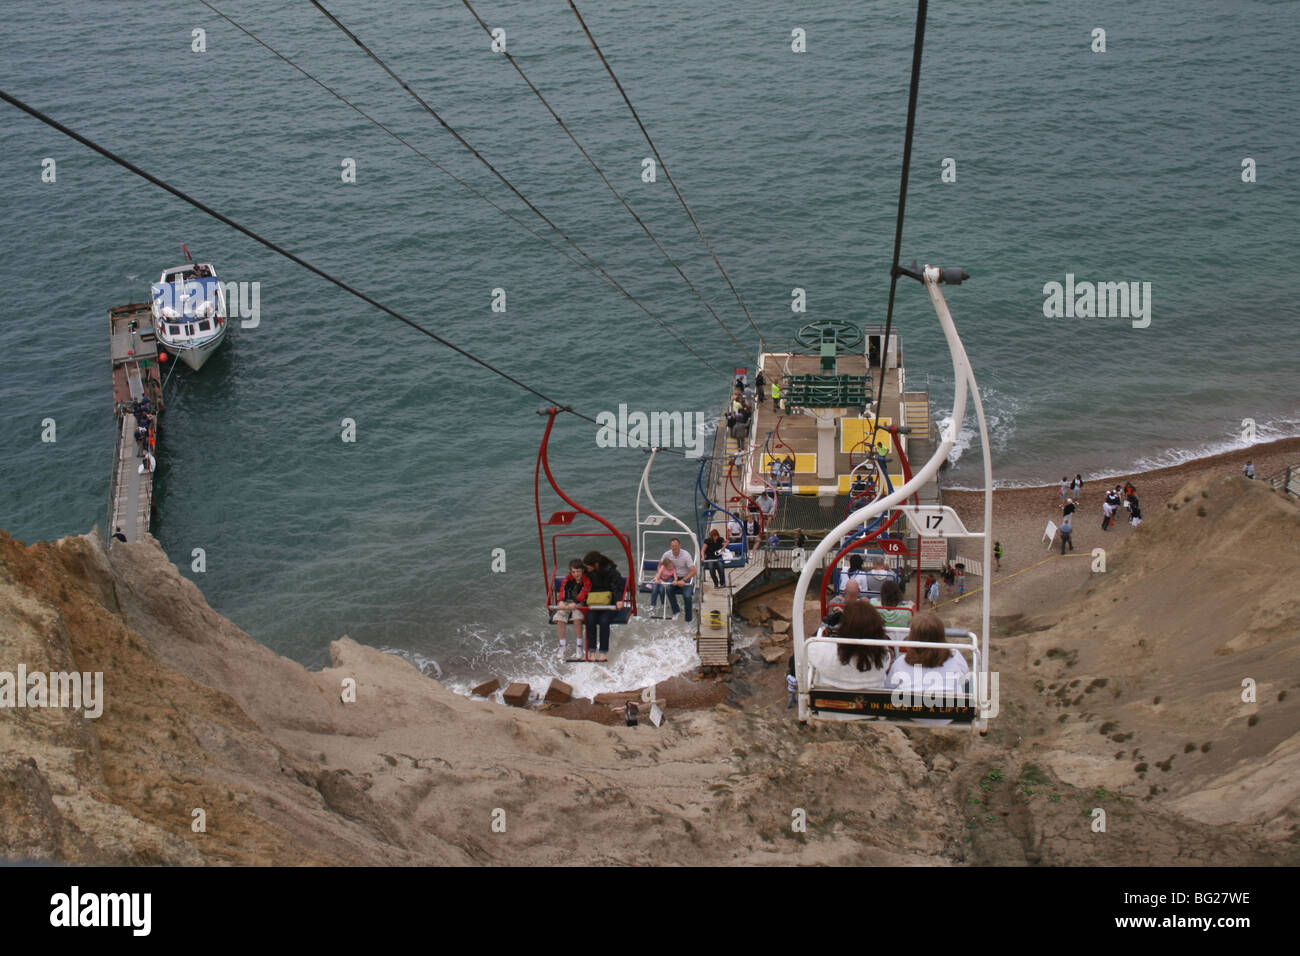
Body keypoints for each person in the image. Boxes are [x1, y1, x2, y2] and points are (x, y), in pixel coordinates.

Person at [886, 611, 970, 725]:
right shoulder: (956, 658)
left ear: (912, 637)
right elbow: (965, 680)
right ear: (941, 635)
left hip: (913, 713)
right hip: (948, 714)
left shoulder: (900, 663)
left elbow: (889, 689)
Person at [806, 601, 892, 690]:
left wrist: (827, 624)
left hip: (829, 700)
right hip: (873, 701)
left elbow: (808, 649)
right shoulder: (883, 656)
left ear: (844, 628)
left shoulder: (824, 653)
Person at [582, 550, 625, 662]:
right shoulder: (589, 572)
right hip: (595, 602)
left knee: (604, 621)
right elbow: (577, 578)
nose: (587, 568)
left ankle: (603, 652)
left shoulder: (611, 571)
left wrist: (618, 600)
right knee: (590, 619)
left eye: (589, 566)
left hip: (609, 602)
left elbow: (617, 586)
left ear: (596, 564)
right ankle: (591, 651)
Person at [552, 558, 591, 660]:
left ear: (582, 570)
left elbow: (584, 592)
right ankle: (562, 645)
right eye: (573, 572)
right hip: (567, 602)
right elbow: (562, 591)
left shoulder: (586, 581)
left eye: (578, 571)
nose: (576, 574)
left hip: (580, 603)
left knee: (577, 618)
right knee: (560, 618)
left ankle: (579, 646)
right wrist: (560, 601)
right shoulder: (568, 580)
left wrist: (576, 603)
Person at [660, 538, 697, 622]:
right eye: (673, 546)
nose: (674, 548)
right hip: (673, 577)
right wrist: (662, 575)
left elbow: (693, 571)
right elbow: (660, 565)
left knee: (687, 596)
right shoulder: (667, 554)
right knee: (668, 589)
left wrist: (684, 580)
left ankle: (688, 619)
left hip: (686, 577)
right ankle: (676, 611)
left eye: (676, 546)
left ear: (680, 546)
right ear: (670, 546)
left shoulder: (686, 555)